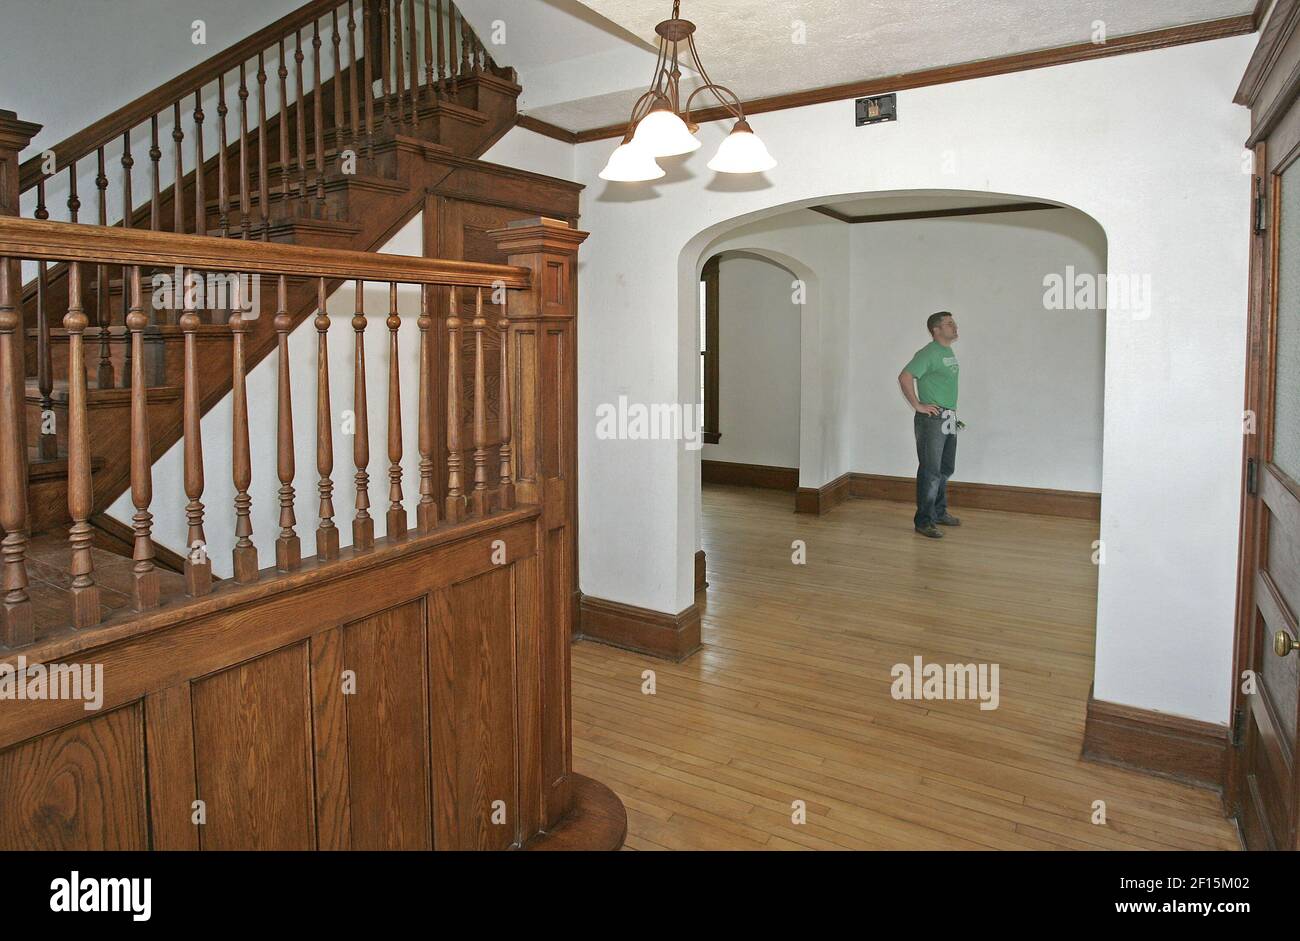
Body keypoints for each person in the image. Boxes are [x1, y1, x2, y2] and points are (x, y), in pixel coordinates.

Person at [897, 312, 961, 539]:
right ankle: (924, 521)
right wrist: (918, 405)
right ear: (936, 330)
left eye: (953, 322)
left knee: (945, 468)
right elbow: (905, 376)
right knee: (931, 471)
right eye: (949, 324)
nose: (954, 326)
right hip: (932, 420)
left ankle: (939, 512)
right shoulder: (929, 353)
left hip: (948, 417)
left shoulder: (947, 351)